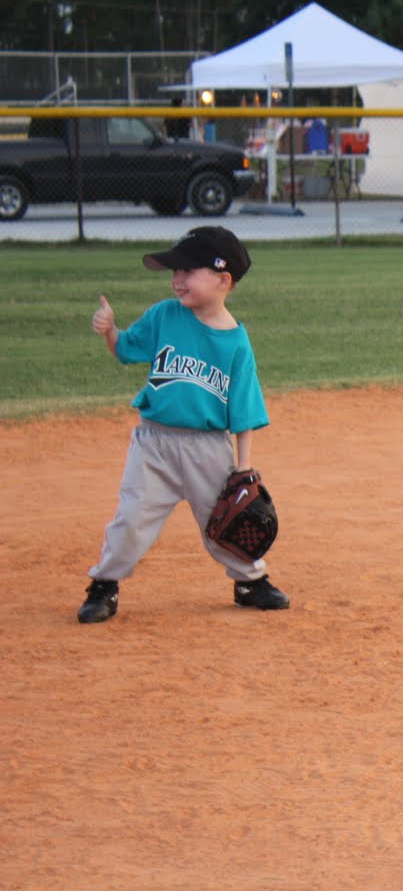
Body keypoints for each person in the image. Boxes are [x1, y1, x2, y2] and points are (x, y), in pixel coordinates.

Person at [78, 226, 290, 624]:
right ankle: (104, 585)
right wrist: (109, 329)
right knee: (132, 518)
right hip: (153, 444)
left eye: (187, 271)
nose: (176, 279)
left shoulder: (236, 344)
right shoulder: (164, 316)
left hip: (207, 449)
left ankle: (249, 582)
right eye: (173, 271)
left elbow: (243, 412)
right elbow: (126, 349)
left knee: (226, 522)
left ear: (223, 280)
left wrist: (243, 466)